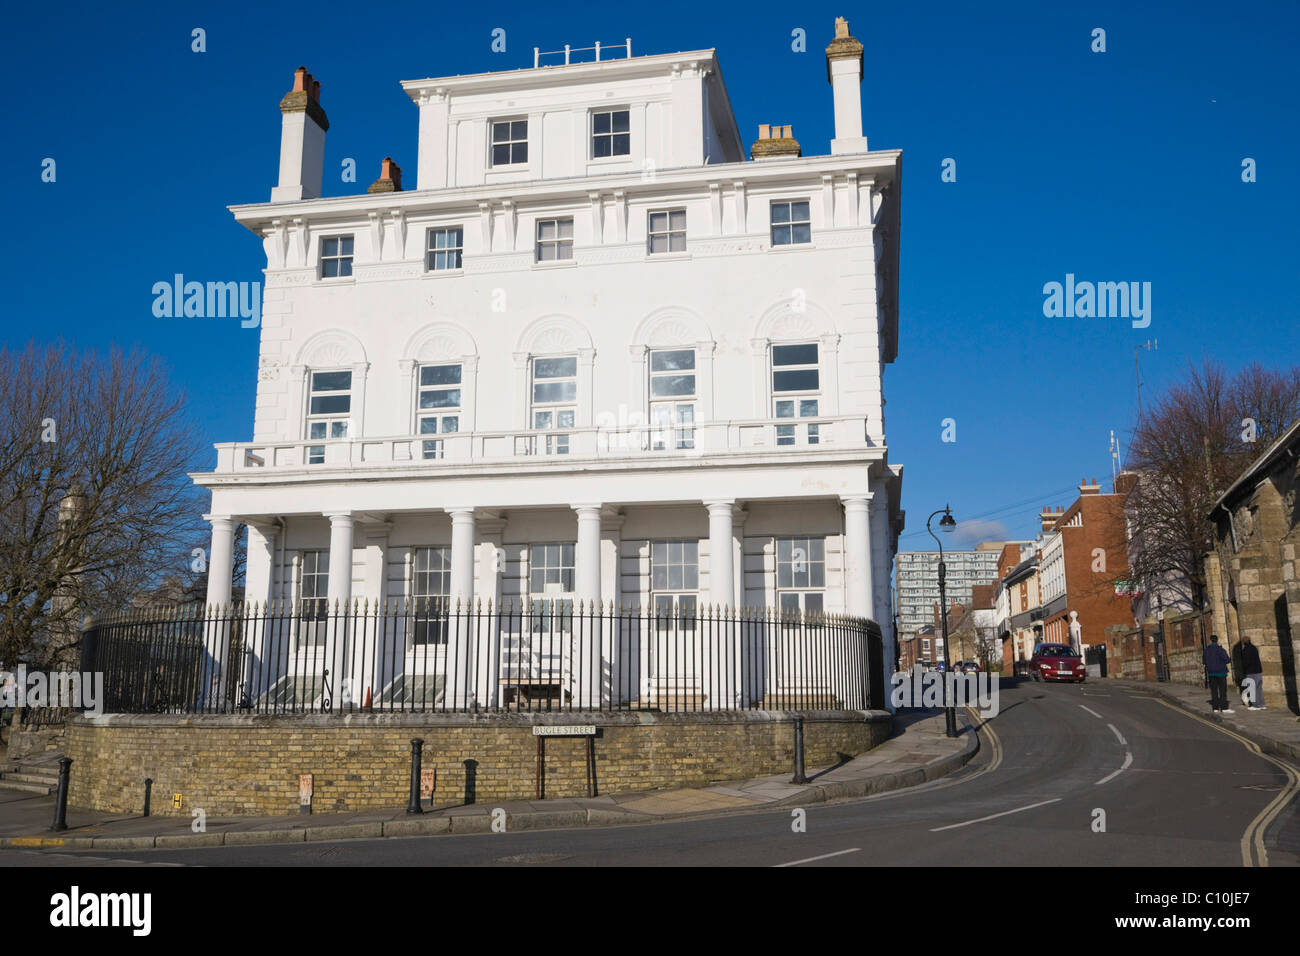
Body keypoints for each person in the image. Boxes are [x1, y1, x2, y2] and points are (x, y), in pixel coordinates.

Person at [1204, 634, 1233, 714]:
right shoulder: (1220, 649)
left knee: (1214, 691)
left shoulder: (1207, 650)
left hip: (1211, 674)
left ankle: (1215, 708)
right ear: (1217, 640)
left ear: (1210, 640)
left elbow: (1204, 661)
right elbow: (1227, 660)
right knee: (1222, 691)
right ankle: (1224, 708)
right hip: (1221, 673)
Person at [1239, 634, 1266, 710]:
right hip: (1258, 671)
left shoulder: (1245, 650)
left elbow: (1246, 662)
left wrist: (1244, 670)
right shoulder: (1254, 648)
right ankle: (1262, 704)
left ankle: (1255, 705)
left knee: (1252, 689)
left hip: (1251, 672)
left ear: (1244, 642)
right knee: (1259, 688)